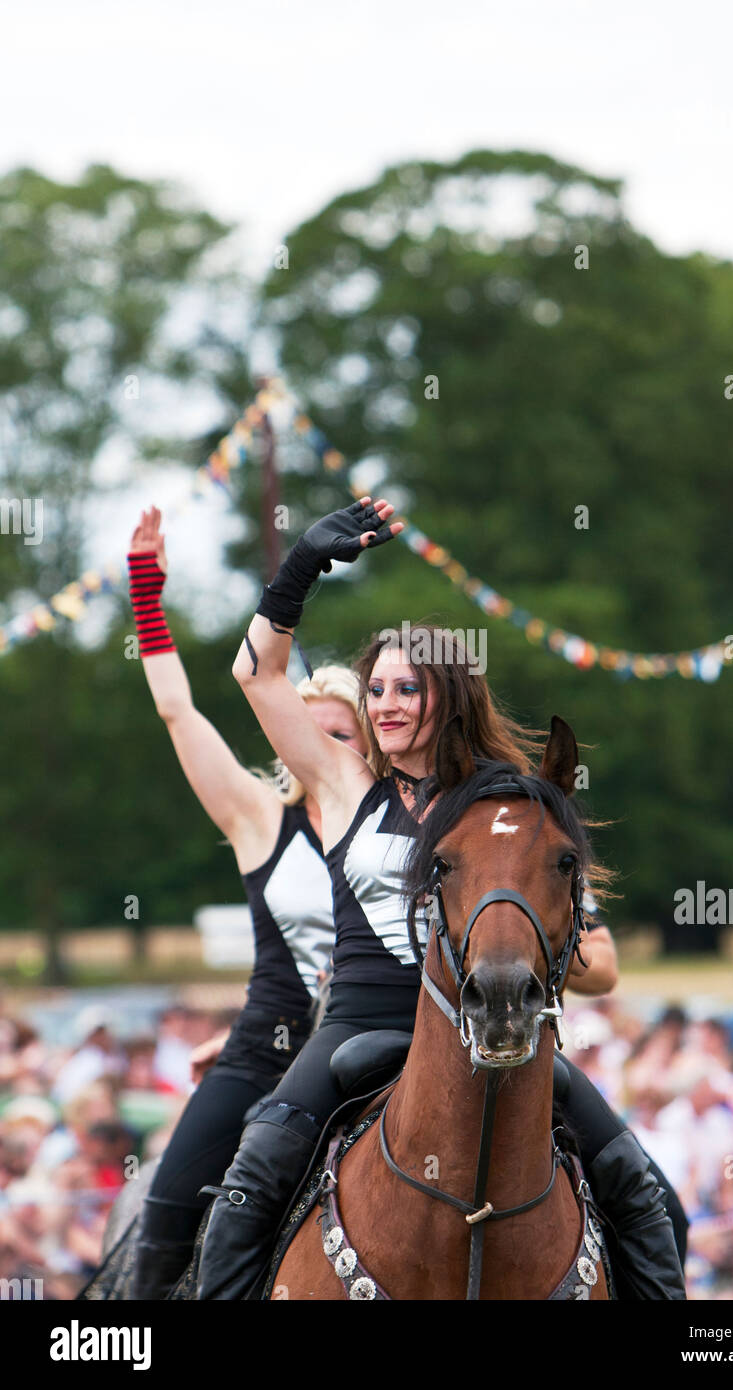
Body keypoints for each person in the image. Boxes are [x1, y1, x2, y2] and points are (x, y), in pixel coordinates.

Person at [196, 496, 686, 1300]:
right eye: (377, 689)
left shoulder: (506, 812)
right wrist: (300, 569)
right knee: (253, 1173)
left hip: (499, 1026)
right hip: (359, 1023)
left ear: (447, 698)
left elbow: (579, 943)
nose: (384, 705)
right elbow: (257, 674)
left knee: (647, 1195)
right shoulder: (347, 782)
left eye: (406, 690)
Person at [120, 507, 371, 1299]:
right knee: (164, 1210)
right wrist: (146, 594)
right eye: (312, 731)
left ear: (370, 742)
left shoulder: (400, 827)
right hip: (266, 1051)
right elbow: (176, 712)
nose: (326, 747)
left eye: (344, 734)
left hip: (373, 1053)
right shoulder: (258, 816)